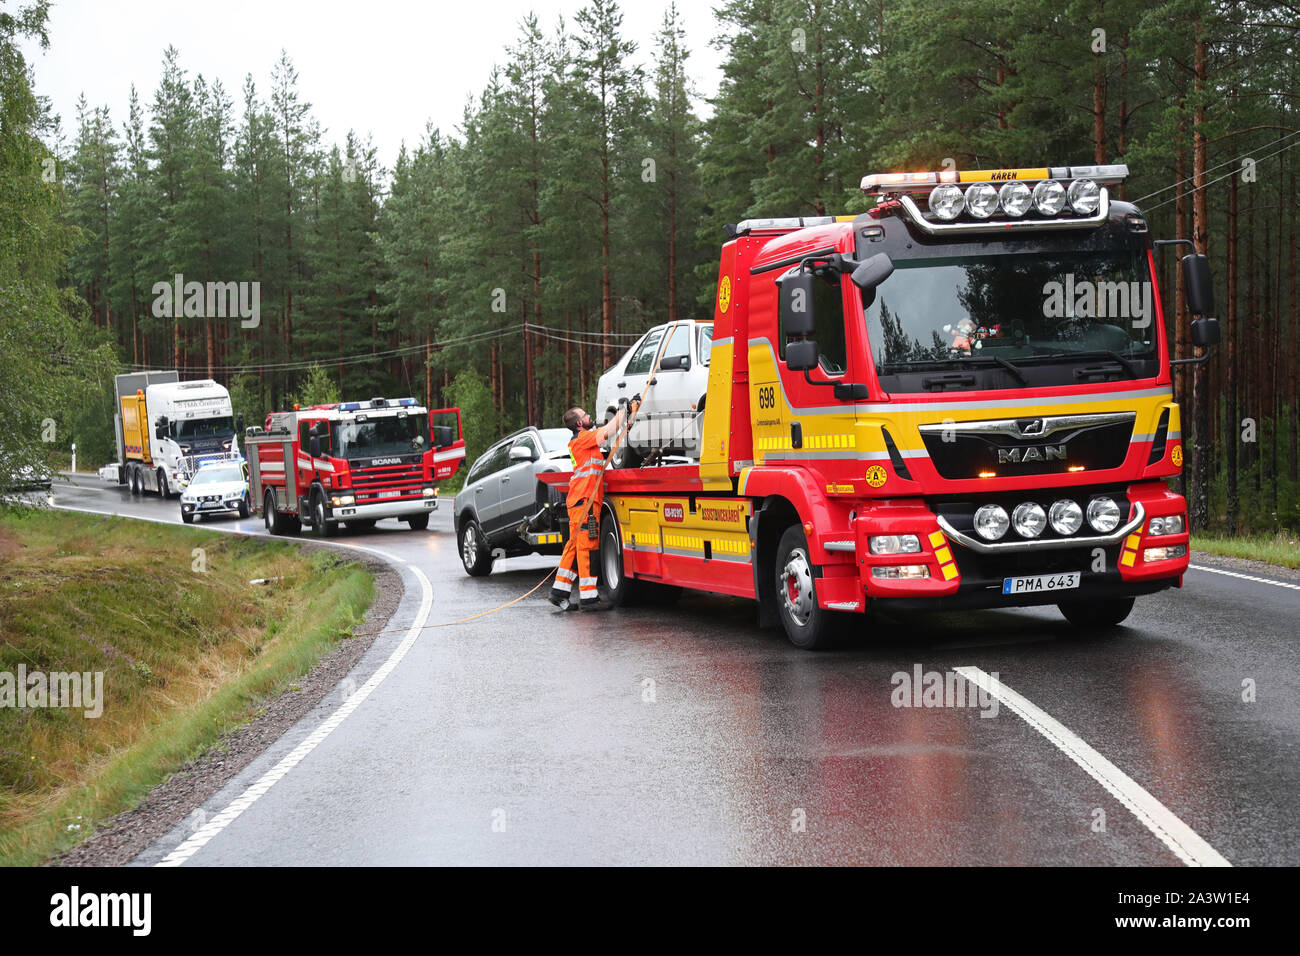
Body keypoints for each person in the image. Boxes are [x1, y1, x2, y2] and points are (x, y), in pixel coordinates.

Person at [549, 397, 639, 610]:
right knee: (587, 547)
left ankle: (559, 592)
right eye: (585, 415)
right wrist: (622, 410)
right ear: (579, 423)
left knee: (573, 547)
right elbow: (609, 430)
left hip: (580, 501)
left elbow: (611, 433)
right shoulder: (583, 439)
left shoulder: (582, 441)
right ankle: (589, 598)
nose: (589, 416)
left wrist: (628, 415)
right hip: (585, 503)